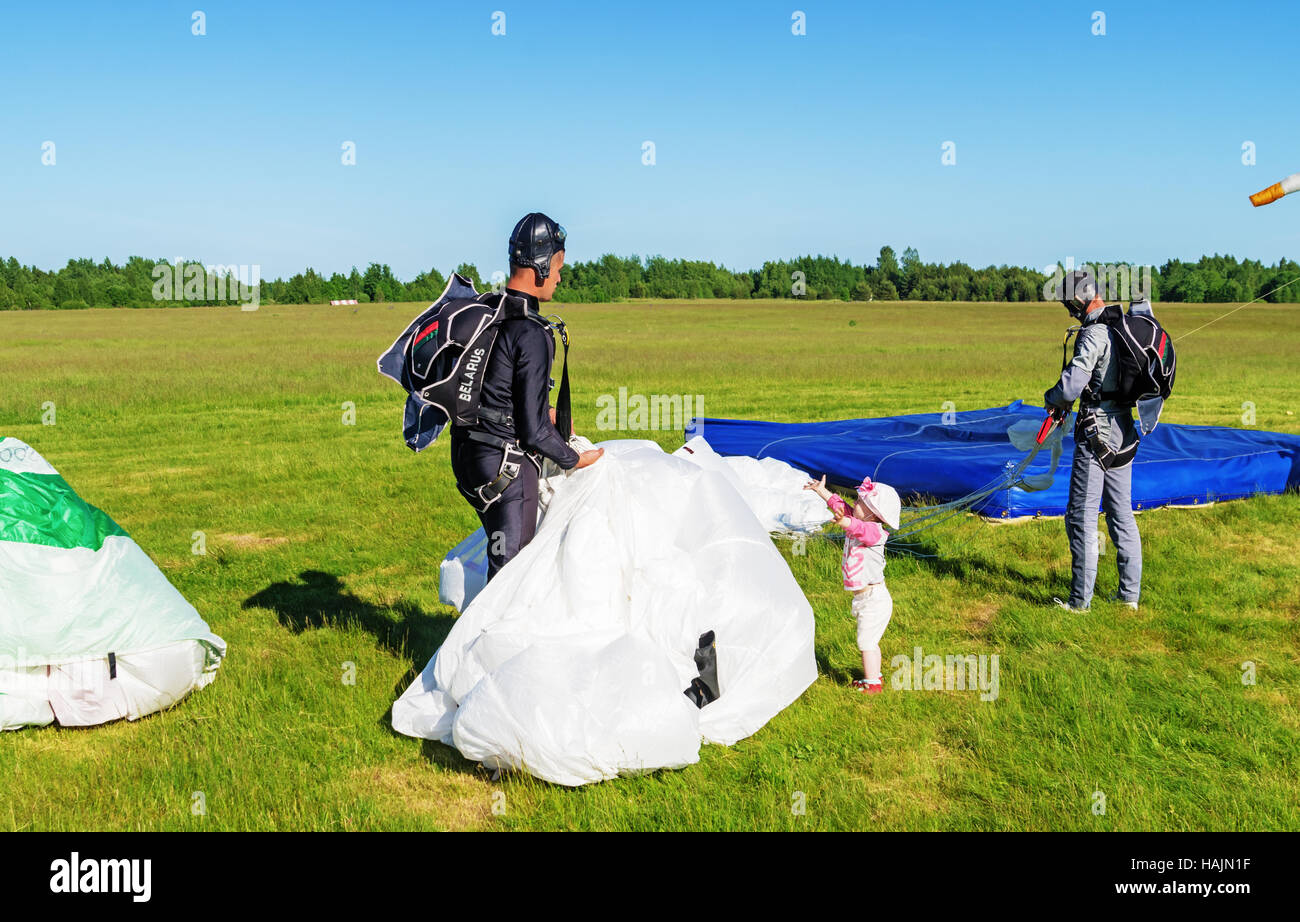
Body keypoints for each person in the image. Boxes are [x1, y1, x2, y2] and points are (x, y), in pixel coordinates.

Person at [450, 212, 603, 580]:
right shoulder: (533, 332)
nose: (560, 276)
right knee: (511, 577)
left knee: (503, 562)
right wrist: (573, 458)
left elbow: (495, 386)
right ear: (540, 266)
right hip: (505, 468)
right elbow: (534, 433)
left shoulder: (492, 313)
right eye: (557, 265)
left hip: (468, 456)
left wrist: (543, 409)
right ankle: (487, 637)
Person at [1044, 269, 1142, 612]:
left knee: (1081, 516)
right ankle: (1129, 597)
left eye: (1069, 303)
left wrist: (1051, 397)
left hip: (1095, 432)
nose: (1070, 310)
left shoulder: (1094, 334)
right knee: (1121, 514)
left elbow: (1072, 385)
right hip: (1126, 433)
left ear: (1080, 300)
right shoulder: (1124, 326)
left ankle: (1079, 602)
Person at [803, 474, 900, 693]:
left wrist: (844, 522)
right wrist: (822, 491)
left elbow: (858, 528)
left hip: (874, 599)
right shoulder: (858, 520)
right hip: (864, 598)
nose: (854, 503)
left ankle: (873, 684)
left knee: (866, 642)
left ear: (874, 513)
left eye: (860, 502)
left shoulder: (875, 532)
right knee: (869, 641)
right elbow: (843, 508)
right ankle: (874, 675)